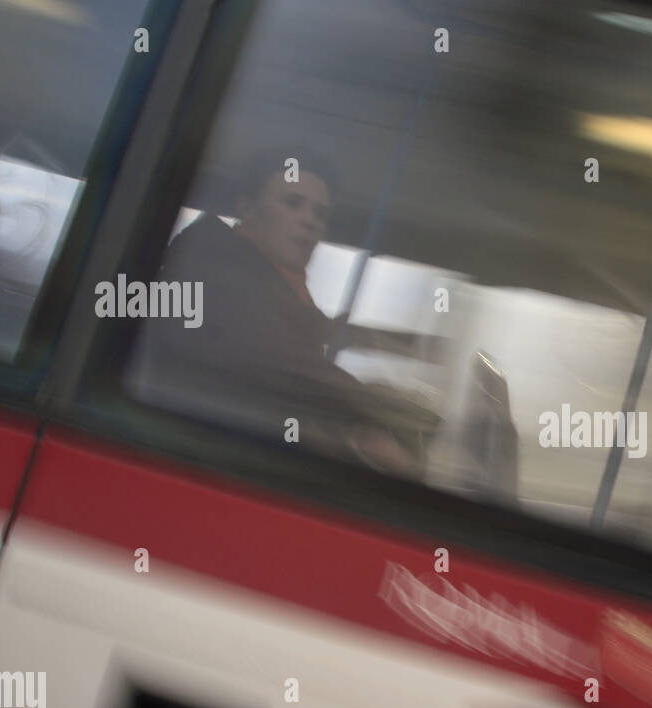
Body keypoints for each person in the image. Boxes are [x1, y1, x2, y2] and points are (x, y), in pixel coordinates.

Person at [125, 147, 438, 477]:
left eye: (320, 213)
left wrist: (427, 350)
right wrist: (396, 416)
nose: (310, 221)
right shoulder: (217, 271)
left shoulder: (276, 284)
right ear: (247, 207)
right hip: (186, 465)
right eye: (293, 203)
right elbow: (292, 364)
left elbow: (324, 331)